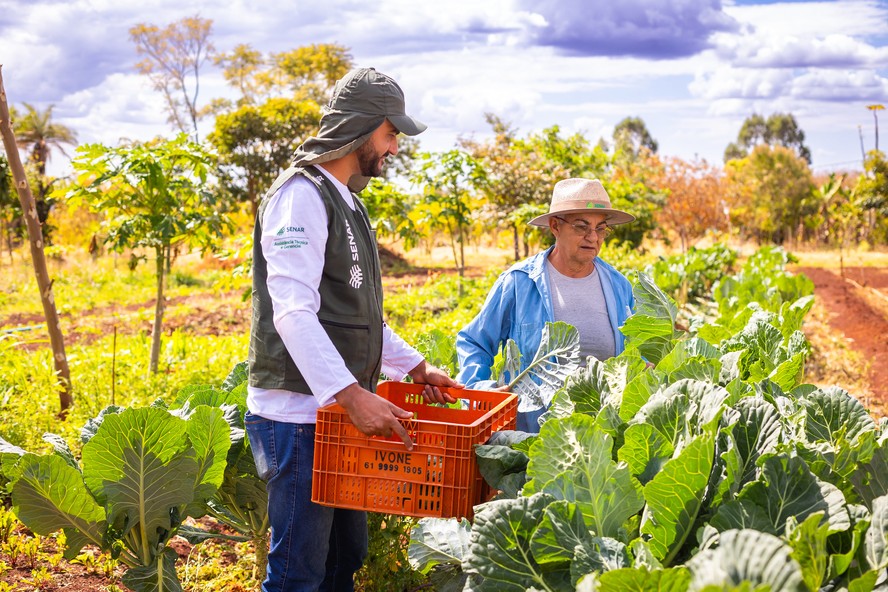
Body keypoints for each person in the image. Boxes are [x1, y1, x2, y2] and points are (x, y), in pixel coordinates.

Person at [245, 67, 460, 592]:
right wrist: (351, 395)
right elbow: (292, 311)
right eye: (390, 134)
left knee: (345, 558)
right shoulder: (301, 196)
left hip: (334, 418)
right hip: (298, 416)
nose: (393, 148)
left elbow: (357, 316)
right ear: (363, 129)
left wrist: (416, 367)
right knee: (299, 571)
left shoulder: (347, 201)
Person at [455, 178, 636, 432]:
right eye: (581, 226)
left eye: (601, 228)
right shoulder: (519, 282)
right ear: (555, 226)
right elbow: (474, 341)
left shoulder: (619, 286)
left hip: (602, 441)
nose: (592, 237)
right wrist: (480, 390)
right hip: (532, 440)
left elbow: (634, 354)